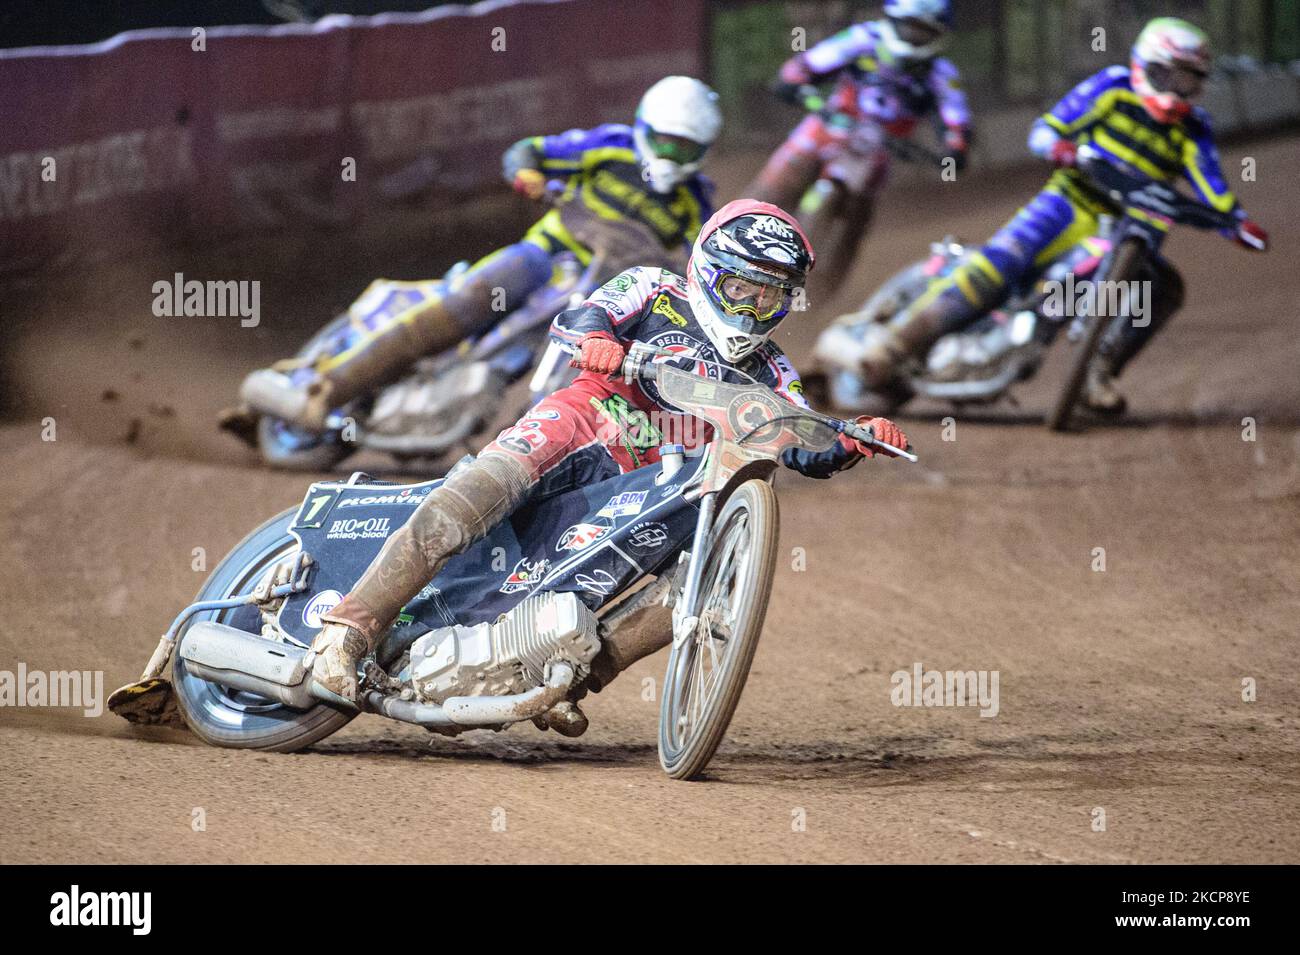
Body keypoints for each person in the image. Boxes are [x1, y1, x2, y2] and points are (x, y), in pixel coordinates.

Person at [307, 200, 910, 712]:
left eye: (771, 297)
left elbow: (799, 443)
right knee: (474, 493)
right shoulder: (655, 287)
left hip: (646, 487)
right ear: (708, 271)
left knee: (692, 585)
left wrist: (847, 442)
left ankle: (569, 682)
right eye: (740, 289)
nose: (752, 309)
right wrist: (597, 339)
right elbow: (585, 315)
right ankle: (346, 630)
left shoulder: (775, 371)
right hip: (582, 421)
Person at [244, 77, 722, 429]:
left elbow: (700, 257)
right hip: (546, 258)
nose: (672, 155)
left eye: (686, 148)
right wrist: (529, 173)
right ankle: (326, 390)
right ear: (644, 127)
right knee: (473, 298)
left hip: (600, 294)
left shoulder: (694, 202)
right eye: (665, 141)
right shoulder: (608, 147)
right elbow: (528, 149)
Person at [850, 17, 1269, 414]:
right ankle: (895, 346)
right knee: (1004, 259)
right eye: (1169, 75)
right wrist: (1061, 147)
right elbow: (1048, 128)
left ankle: (1098, 375)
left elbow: (1212, 186)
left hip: (1135, 228)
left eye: (1188, 79)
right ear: (1146, 66)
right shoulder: (1113, 87)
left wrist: (1237, 221)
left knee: (1162, 291)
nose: (1176, 89)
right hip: (1069, 202)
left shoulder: (1195, 127)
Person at [747, 0, 971, 275]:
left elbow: (955, 114)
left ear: (939, 35)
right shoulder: (864, 38)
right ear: (893, 20)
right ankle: (731, 226)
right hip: (832, 123)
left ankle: (826, 281)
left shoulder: (941, 73)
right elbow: (813, 61)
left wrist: (955, 146)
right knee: (778, 181)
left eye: (923, 32)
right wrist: (795, 79)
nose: (915, 37)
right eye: (910, 28)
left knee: (858, 218)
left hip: (880, 147)